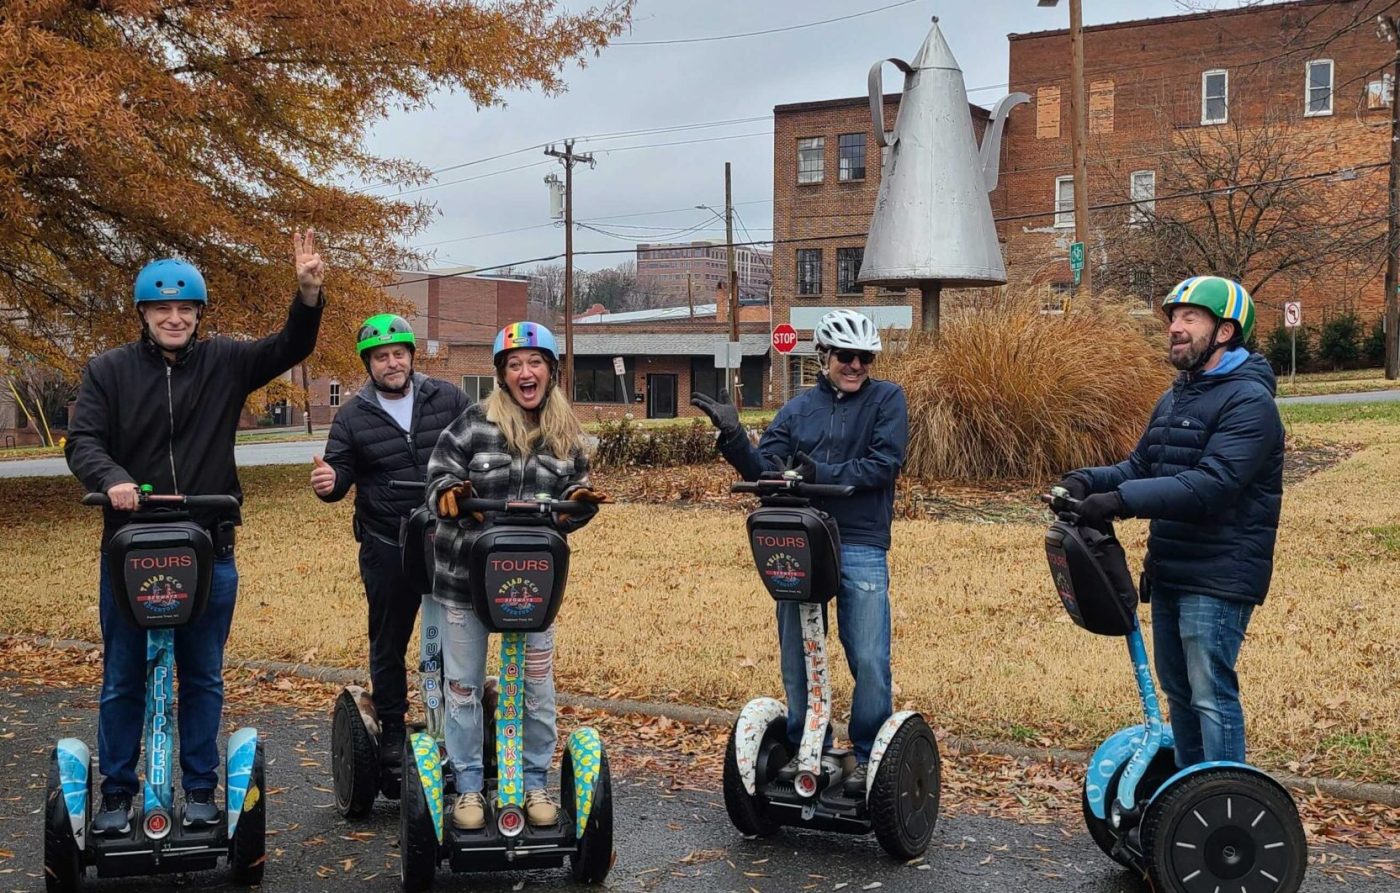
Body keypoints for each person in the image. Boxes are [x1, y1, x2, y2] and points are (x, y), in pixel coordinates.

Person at [65, 232, 325, 835]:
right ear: (144, 314)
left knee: (202, 673)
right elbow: (83, 442)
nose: (174, 318)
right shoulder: (108, 371)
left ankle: (203, 790)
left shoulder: (226, 362)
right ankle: (116, 794)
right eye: (163, 309)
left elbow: (290, 345)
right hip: (131, 549)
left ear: (199, 315)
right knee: (123, 677)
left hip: (207, 546)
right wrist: (113, 479)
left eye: (185, 309)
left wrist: (308, 294)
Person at [1057, 275, 1283, 768]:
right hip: (1171, 569)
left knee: (1210, 696)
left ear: (1224, 332)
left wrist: (1119, 501)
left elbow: (1213, 484)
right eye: (1173, 319)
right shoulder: (1178, 395)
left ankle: (1226, 802)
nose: (1175, 328)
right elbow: (1142, 466)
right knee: (1179, 694)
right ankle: (1190, 804)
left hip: (1220, 573)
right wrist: (1086, 482)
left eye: (1189, 318)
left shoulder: (1249, 402)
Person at [691, 308, 908, 794]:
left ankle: (871, 752)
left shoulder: (888, 400)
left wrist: (819, 476)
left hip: (860, 541)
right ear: (824, 357)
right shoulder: (797, 411)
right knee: (799, 650)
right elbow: (767, 474)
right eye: (845, 357)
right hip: (803, 540)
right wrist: (733, 440)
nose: (855, 366)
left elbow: (883, 465)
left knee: (870, 654)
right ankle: (811, 743)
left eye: (864, 358)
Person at [425, 322, 607, 831]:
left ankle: (533, 783)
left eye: (535, 363)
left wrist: (580, 506)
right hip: (464, 579)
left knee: (537, 687)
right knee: (462, 686)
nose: (526, 372)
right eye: (515, 365)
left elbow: (576, 496)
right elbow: (438, 474)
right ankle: (466, 788)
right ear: (503, 376)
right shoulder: (472, 423)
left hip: (532, 587)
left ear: (551, 370)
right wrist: (450, 492)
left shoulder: (566, 435)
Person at [309, 313, 470, 781]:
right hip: (387, 544)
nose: (392, 363)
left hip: (447, 540)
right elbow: (337, 477)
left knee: (459, 635)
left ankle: (457, 725)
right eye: (382, 357)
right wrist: (329, 481)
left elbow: (477, 448)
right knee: (389, 640)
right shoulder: (353, 415)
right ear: (369, 364)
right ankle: (395, 730)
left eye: (399, 354)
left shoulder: (449, 398)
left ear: (411, 357)